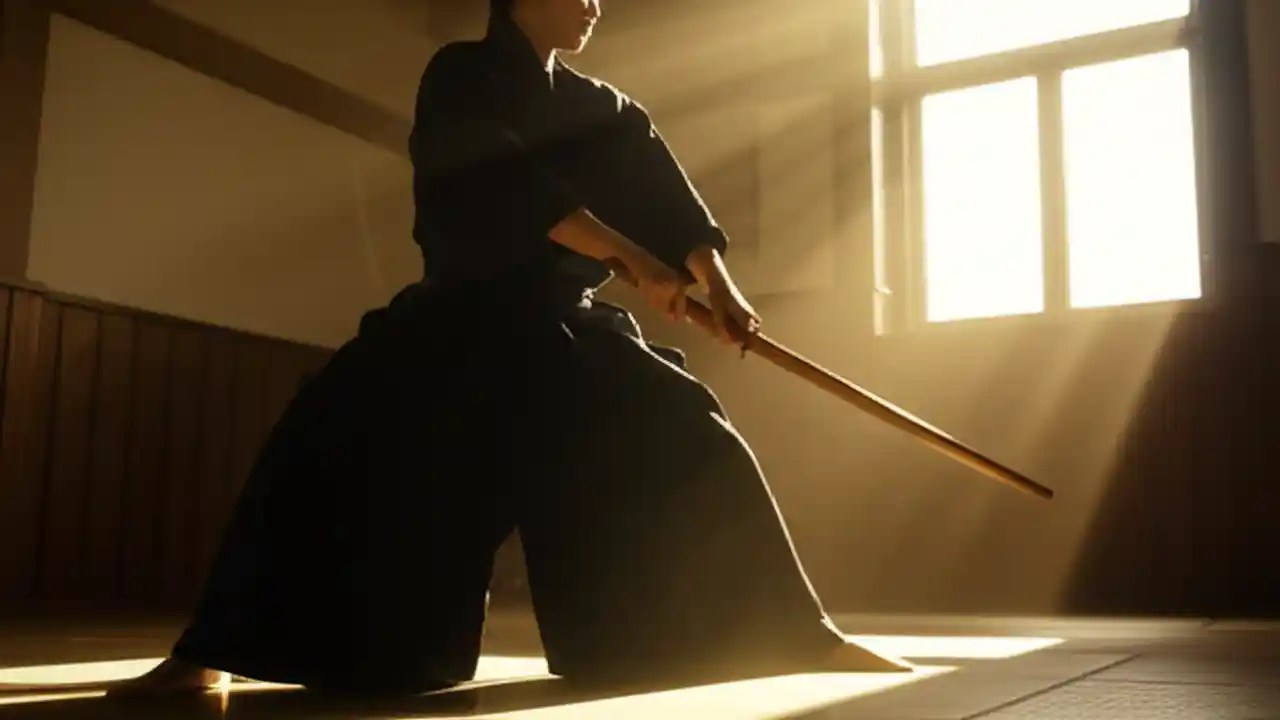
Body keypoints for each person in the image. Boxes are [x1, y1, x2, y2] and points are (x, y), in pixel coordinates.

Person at [110, 0, 909, 697]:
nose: (597, 4)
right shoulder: (459, 75)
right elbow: (509, 185)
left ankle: (800, 634)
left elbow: (667, 192)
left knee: (688, 429)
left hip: (565, 324)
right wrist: (632, 259)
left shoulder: (605, 106)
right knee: (324, 435)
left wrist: (721, 288)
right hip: (457, 323)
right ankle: (213, 653)